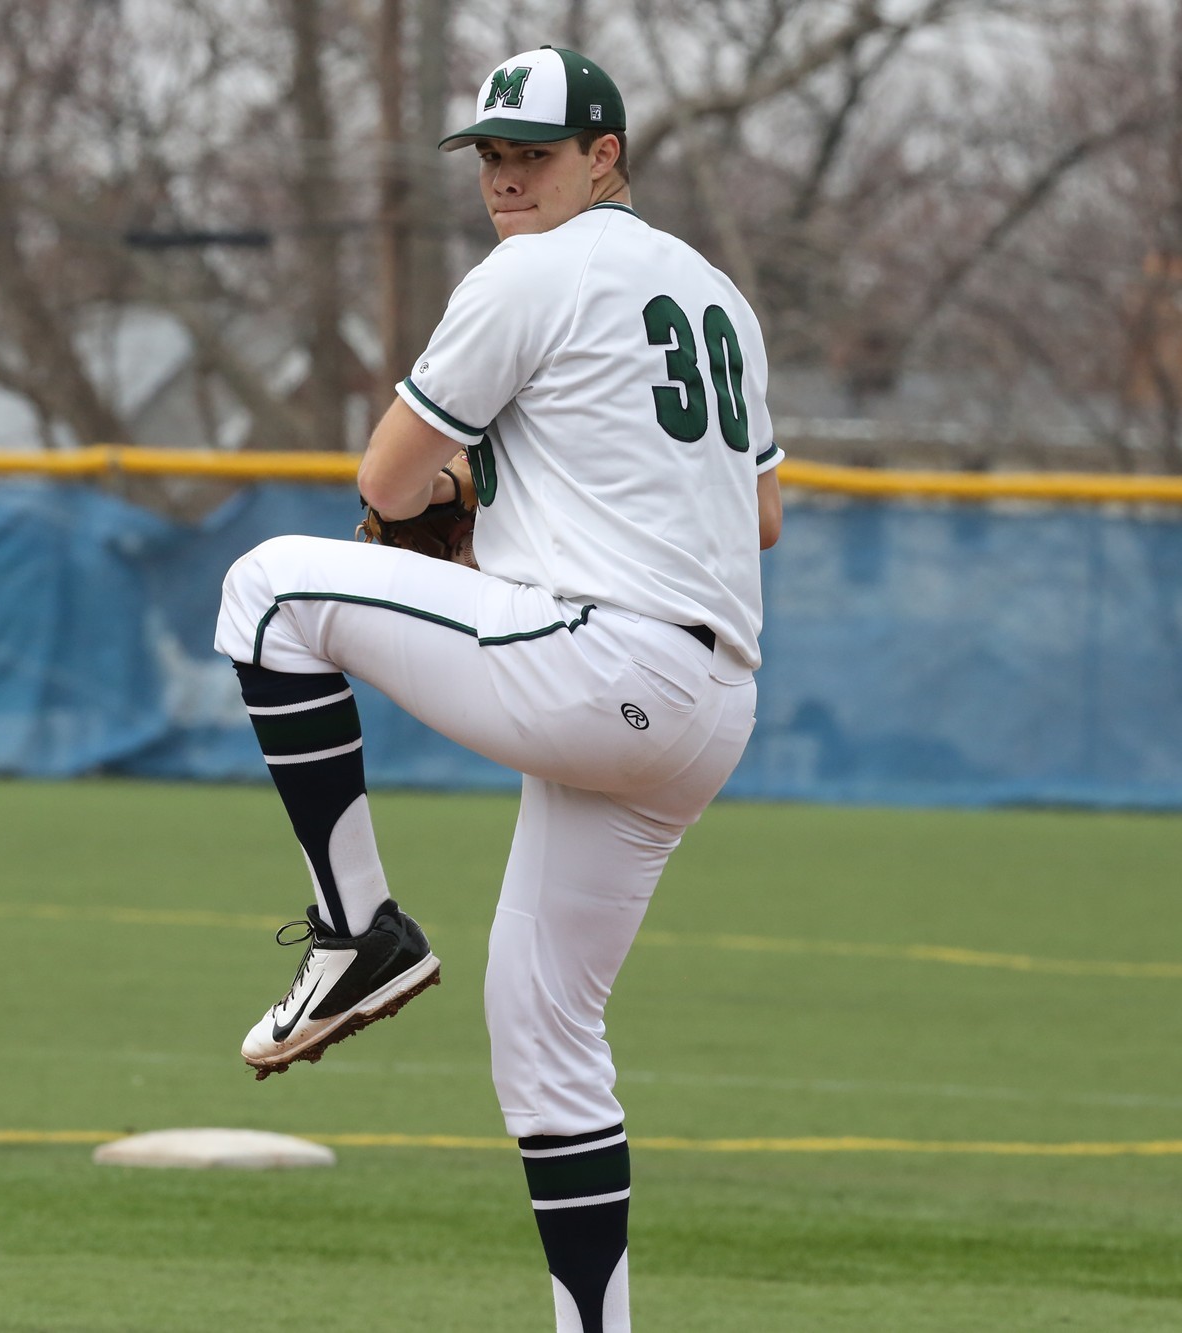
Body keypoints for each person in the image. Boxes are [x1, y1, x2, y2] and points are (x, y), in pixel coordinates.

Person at [214, 45, 783, 1333]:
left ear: (605, 158)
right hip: (705, 713)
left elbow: (386, 481)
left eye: (532, 154)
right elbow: (760, 517)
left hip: (597, 661)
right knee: (541, 1030)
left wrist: (456, 500)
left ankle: (358, 928)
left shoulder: (531, 269)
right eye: (490, 156)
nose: (505, 179)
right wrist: (512, 502)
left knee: (266, 590)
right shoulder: (717, 296)